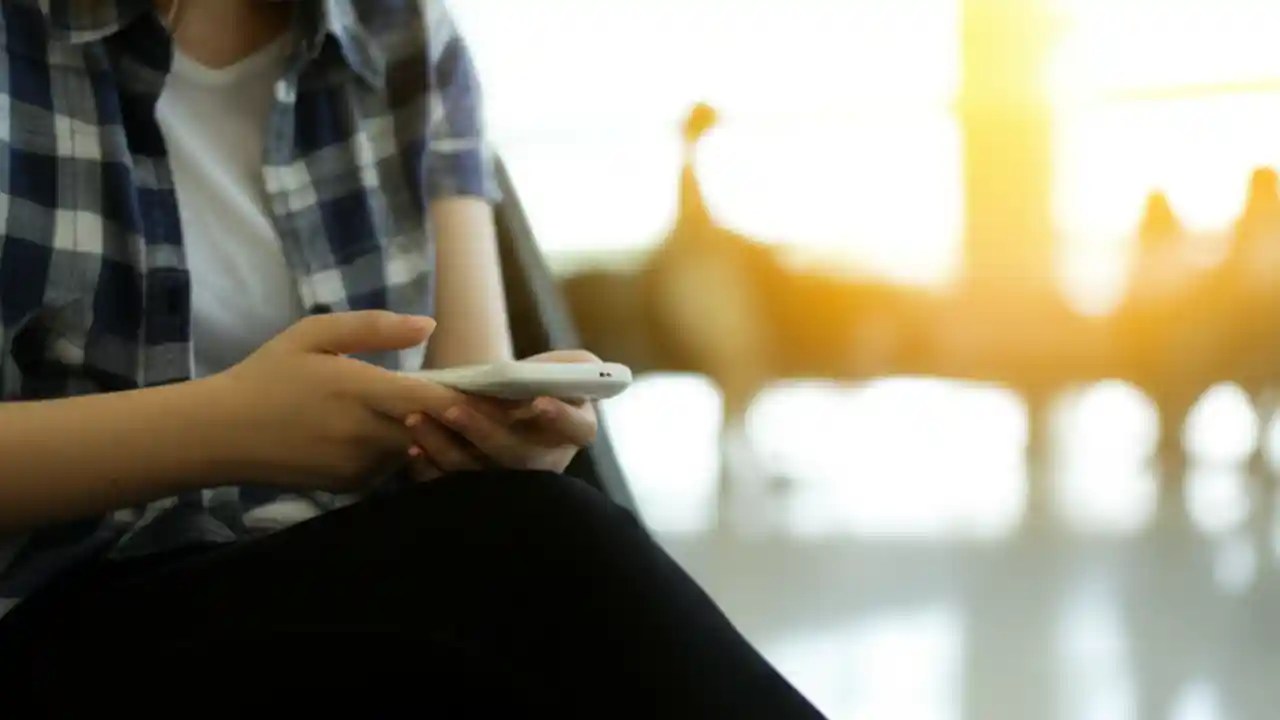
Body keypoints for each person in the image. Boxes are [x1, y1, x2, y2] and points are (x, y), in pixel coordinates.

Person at [0, 1, 824, 715]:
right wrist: (225, 428)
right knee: (545, 555)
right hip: (48, 610)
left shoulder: (405, 32)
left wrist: (499, 437)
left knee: (527, 541)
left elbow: (469, 404)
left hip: (328, 586)